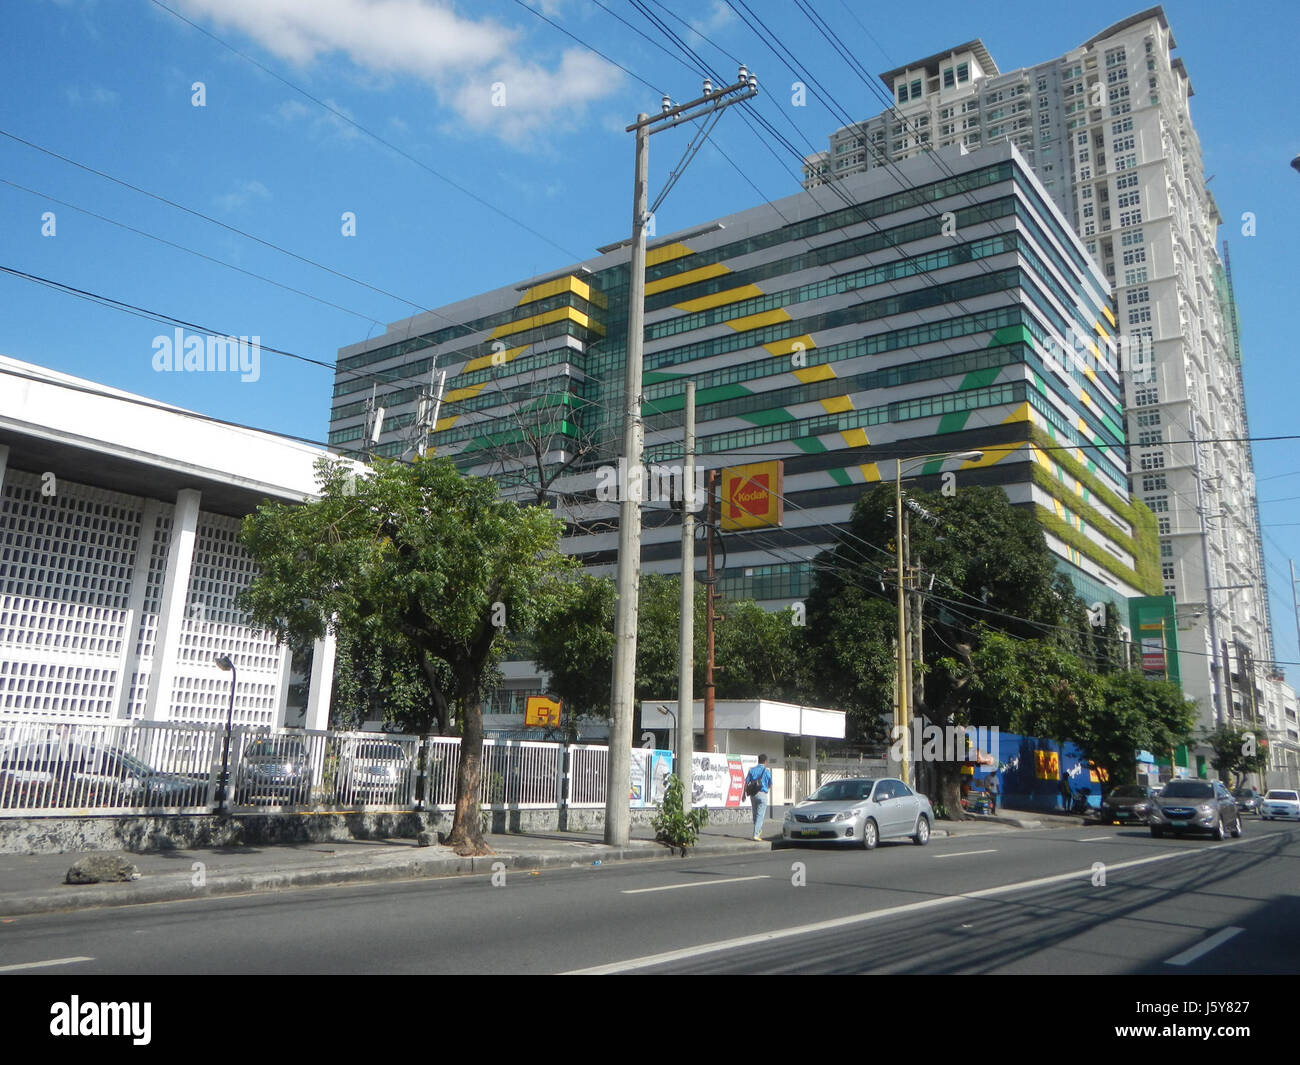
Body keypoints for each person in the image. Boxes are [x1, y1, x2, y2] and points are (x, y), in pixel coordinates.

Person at [745, 754, 772, 841]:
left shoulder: (752, 770)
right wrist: (766, 789)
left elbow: (746, 783)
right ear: (765, 762)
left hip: (753, 794)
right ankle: (756, 834)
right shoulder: (766, 771)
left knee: (755, 814)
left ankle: (758, 830)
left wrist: (743, 794)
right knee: (760, 815)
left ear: (758, 760)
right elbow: (770, 784)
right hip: (762, 794)